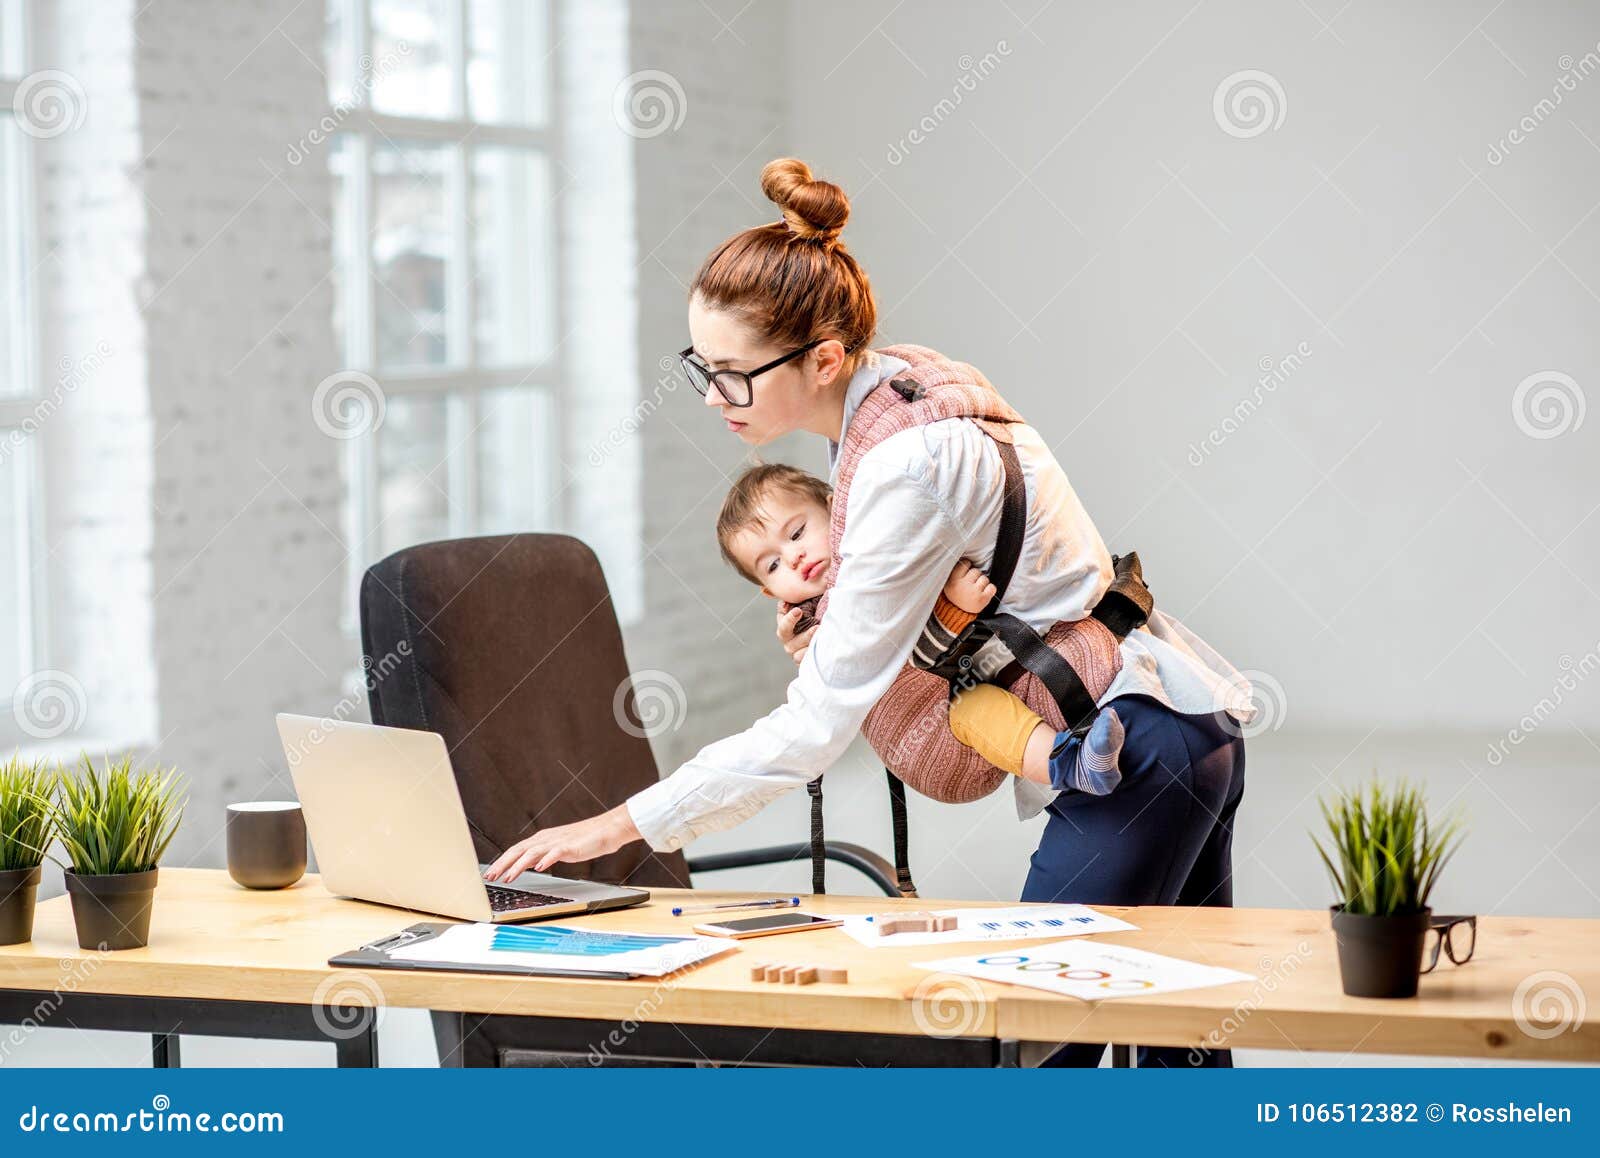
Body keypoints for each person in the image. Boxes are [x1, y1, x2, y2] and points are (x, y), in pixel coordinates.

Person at [486, 157, 1255, 1068]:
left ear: (822, 359)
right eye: (701, 365)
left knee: (1030, 1049)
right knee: (1181, 1049)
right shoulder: (908, 384)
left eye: (732, 373)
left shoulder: (897, 470)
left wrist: (614, 826)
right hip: (1181, 724)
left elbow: (815, 732)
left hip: (1135, 749)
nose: (710, 396)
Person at [715, 462, 1126, 792]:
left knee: (991, 687)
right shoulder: (816, 623)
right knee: (976, 706)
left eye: (797, 532)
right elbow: (911, 657)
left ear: (835, 509)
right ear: (769, 591)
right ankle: (1070, 764)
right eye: (771, 565)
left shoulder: (873, 561)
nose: (793, 557)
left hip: (964, 688)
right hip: (933, 740)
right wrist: (954, 610)